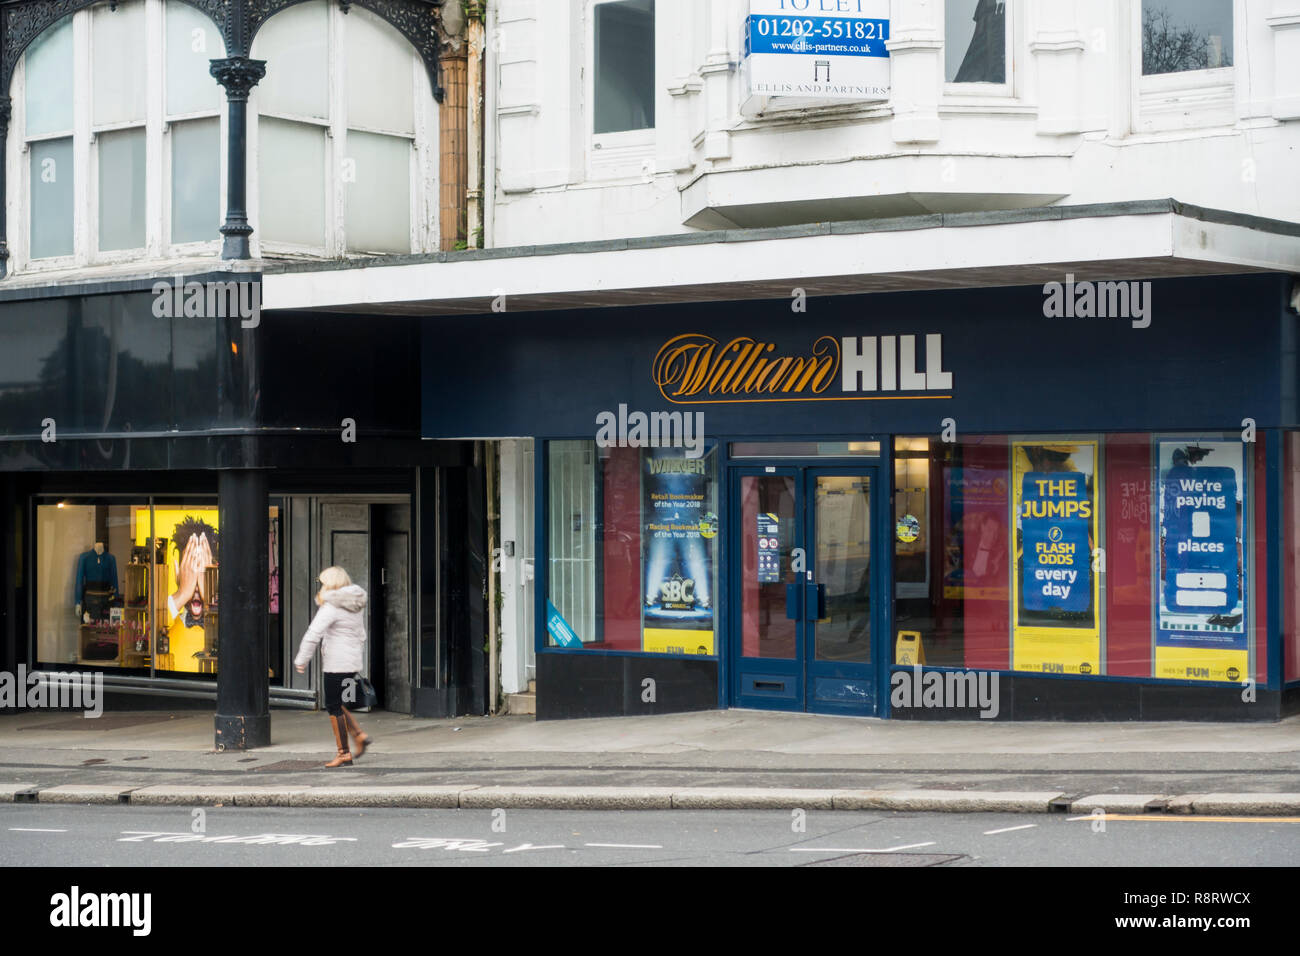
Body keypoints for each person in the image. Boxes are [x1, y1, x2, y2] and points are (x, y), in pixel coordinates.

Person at [294, 567, 373, 768]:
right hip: (351, 662)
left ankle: (343, 753)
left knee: (333, 705)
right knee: (339, 702)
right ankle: (359, 735)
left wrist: (301, 659)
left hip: (336, 663)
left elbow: (314, 634)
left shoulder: (331, 606)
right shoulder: (356, 603)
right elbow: (361, 634)